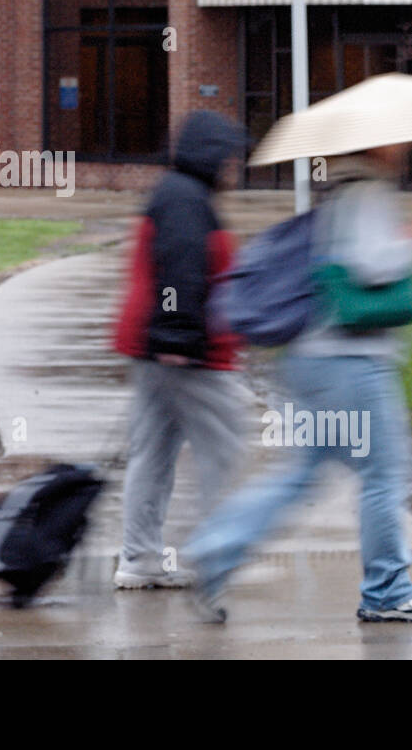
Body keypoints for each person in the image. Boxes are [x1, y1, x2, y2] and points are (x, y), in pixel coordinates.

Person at [184, 143, 412, 623]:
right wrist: (411, 240)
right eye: (399, 143)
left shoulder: (336, 196)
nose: (406, 148)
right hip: (351, 362)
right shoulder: (369, 195)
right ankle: (388, 590)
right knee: (384, 474)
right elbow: (370, 264)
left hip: (311, 360)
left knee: (298, 474)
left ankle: (216, 547)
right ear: (379, 147)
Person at [111, 111, 251, 589]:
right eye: (229, 156)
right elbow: (182, 272)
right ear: (210, 155)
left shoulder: (176, 192)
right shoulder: (188, 200)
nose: (233, 166)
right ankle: (214, 556)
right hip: (184, 350)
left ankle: (139, 559)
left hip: (155, 345)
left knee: (152, 451)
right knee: (224, 448)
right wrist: (176, 339)